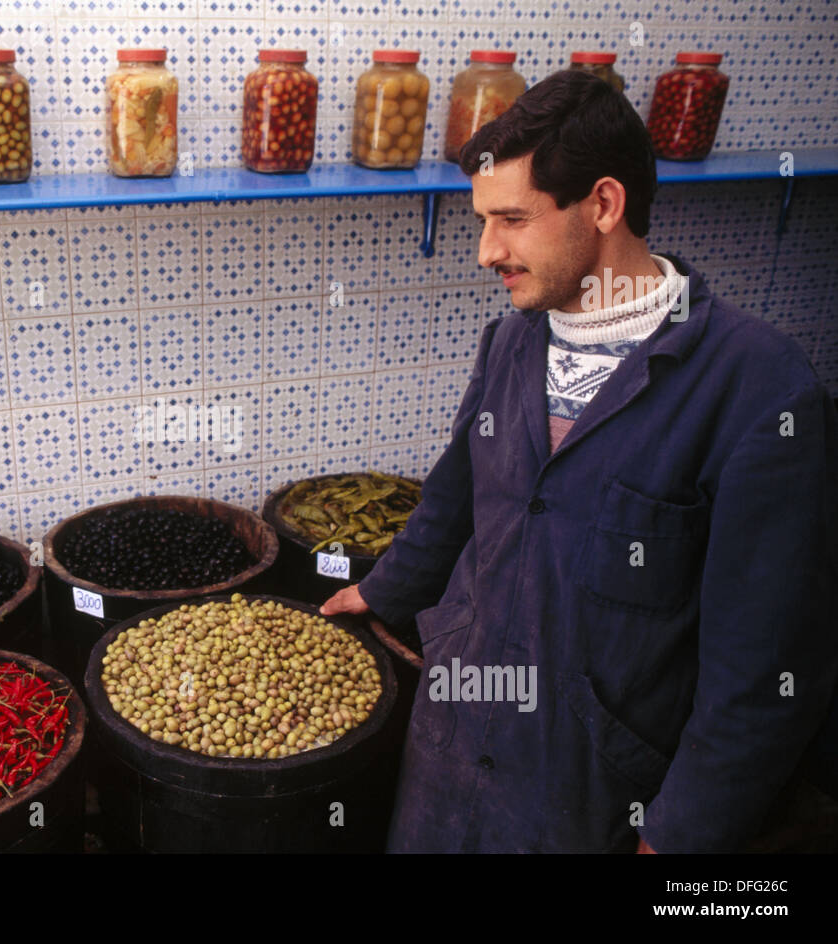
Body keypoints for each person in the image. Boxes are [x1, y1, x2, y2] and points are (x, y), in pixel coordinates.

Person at [322, 69, 838, 853]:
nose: (488, 250)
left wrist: (684, 830)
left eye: (512, 220)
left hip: (592, 788)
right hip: (454, 736)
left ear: (602, 204)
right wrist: (383, 589)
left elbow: (766, 666)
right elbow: (458, 491)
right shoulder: (512, 339)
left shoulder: (760, 387)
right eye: (481, 221)